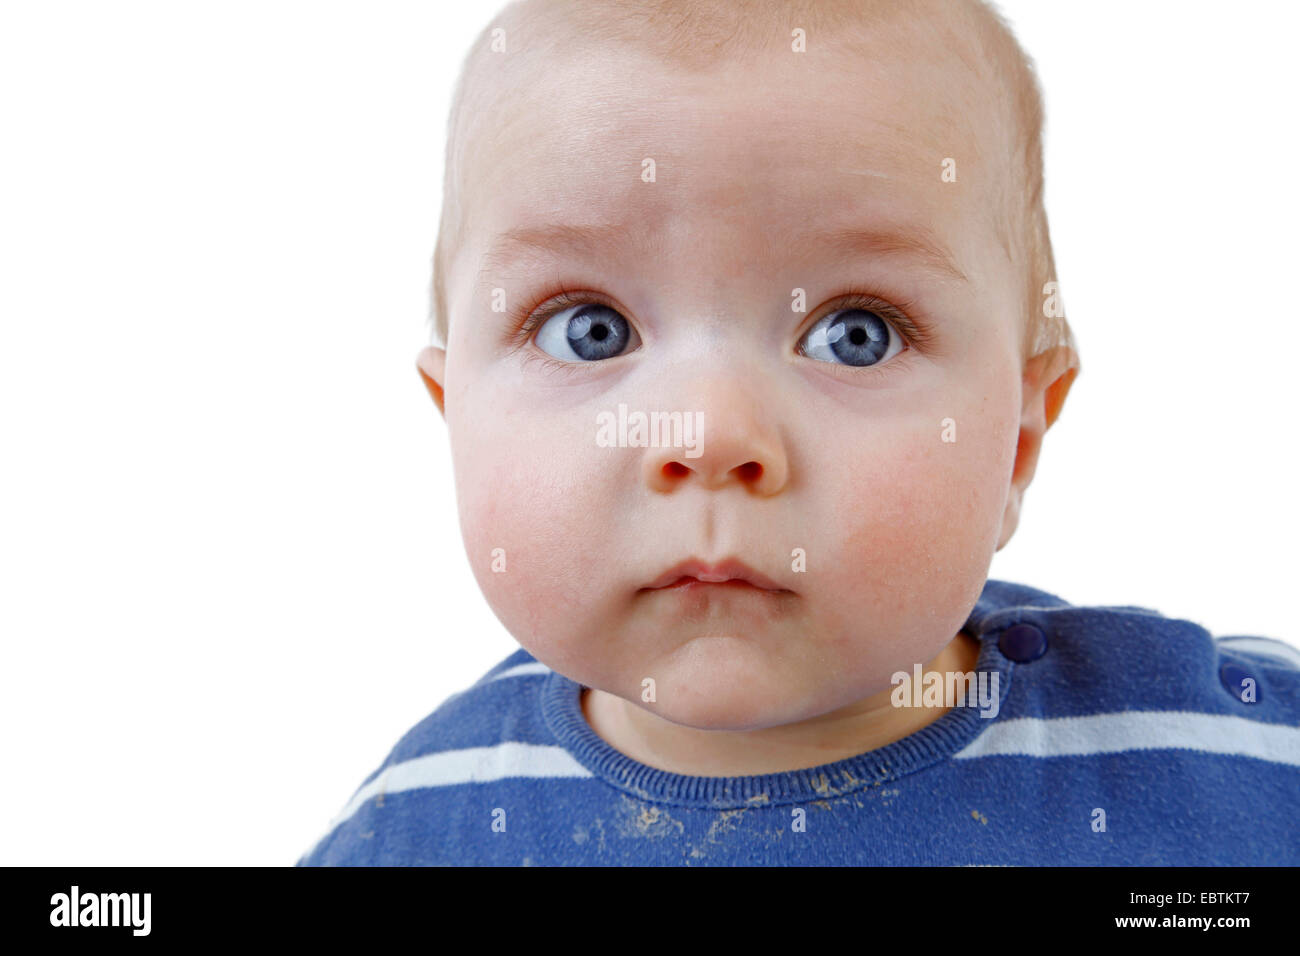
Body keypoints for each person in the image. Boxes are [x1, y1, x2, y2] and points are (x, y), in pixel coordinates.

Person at [297, 0, 1300, 865]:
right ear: (452, 417)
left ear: (1017, 441)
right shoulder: (419, 820)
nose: (707, 434)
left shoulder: (1222, 764)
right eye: (589, 329)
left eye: (854, 335)